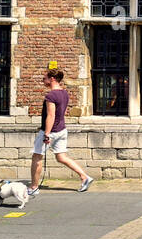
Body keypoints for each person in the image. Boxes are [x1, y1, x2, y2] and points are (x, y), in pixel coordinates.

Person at [28, 66, 93, 196]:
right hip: (62, 130)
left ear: (52, 79)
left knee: (37, 157)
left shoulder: (51, 95)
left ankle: (34, 187)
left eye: (44, 78)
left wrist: (46, 134)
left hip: (50, 131)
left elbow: (51, 116)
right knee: (61, 157)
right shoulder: (64, 93)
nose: (43, 80)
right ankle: (84, 177)